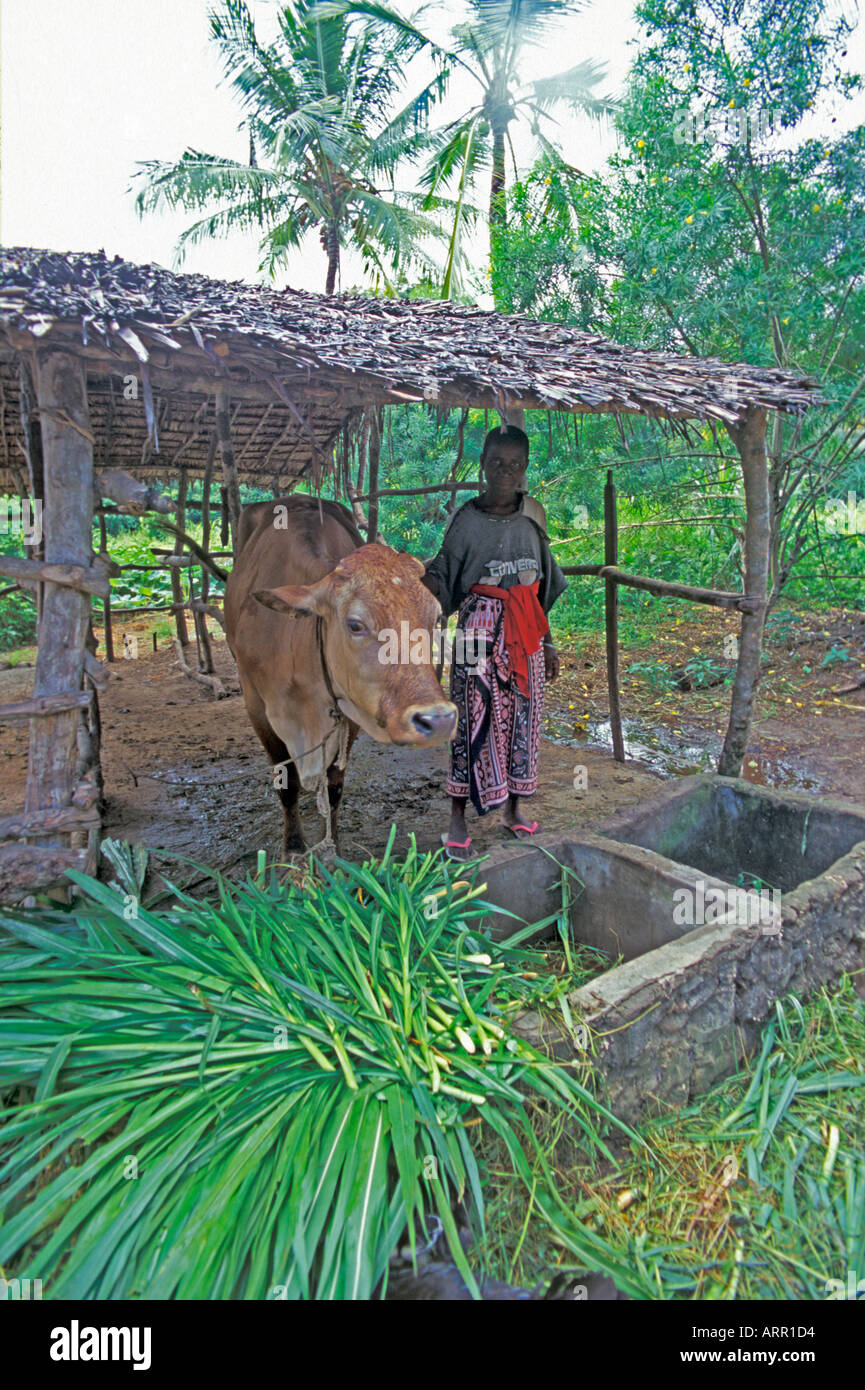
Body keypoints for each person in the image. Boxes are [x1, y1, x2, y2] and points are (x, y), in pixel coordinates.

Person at [422, 424, 567, 860]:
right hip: (477, 634)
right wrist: (410, 578)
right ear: (483, 465)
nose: (506, 472)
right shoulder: (466, 520)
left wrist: (550, 643)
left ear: (525, 468)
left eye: (515, 465)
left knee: (523, 721)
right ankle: (457, 818)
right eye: (497, 463)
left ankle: (514, 809)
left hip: (526, 637)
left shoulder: (533, 516)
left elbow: (541, 587)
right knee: (470, 721)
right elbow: (444, 579)